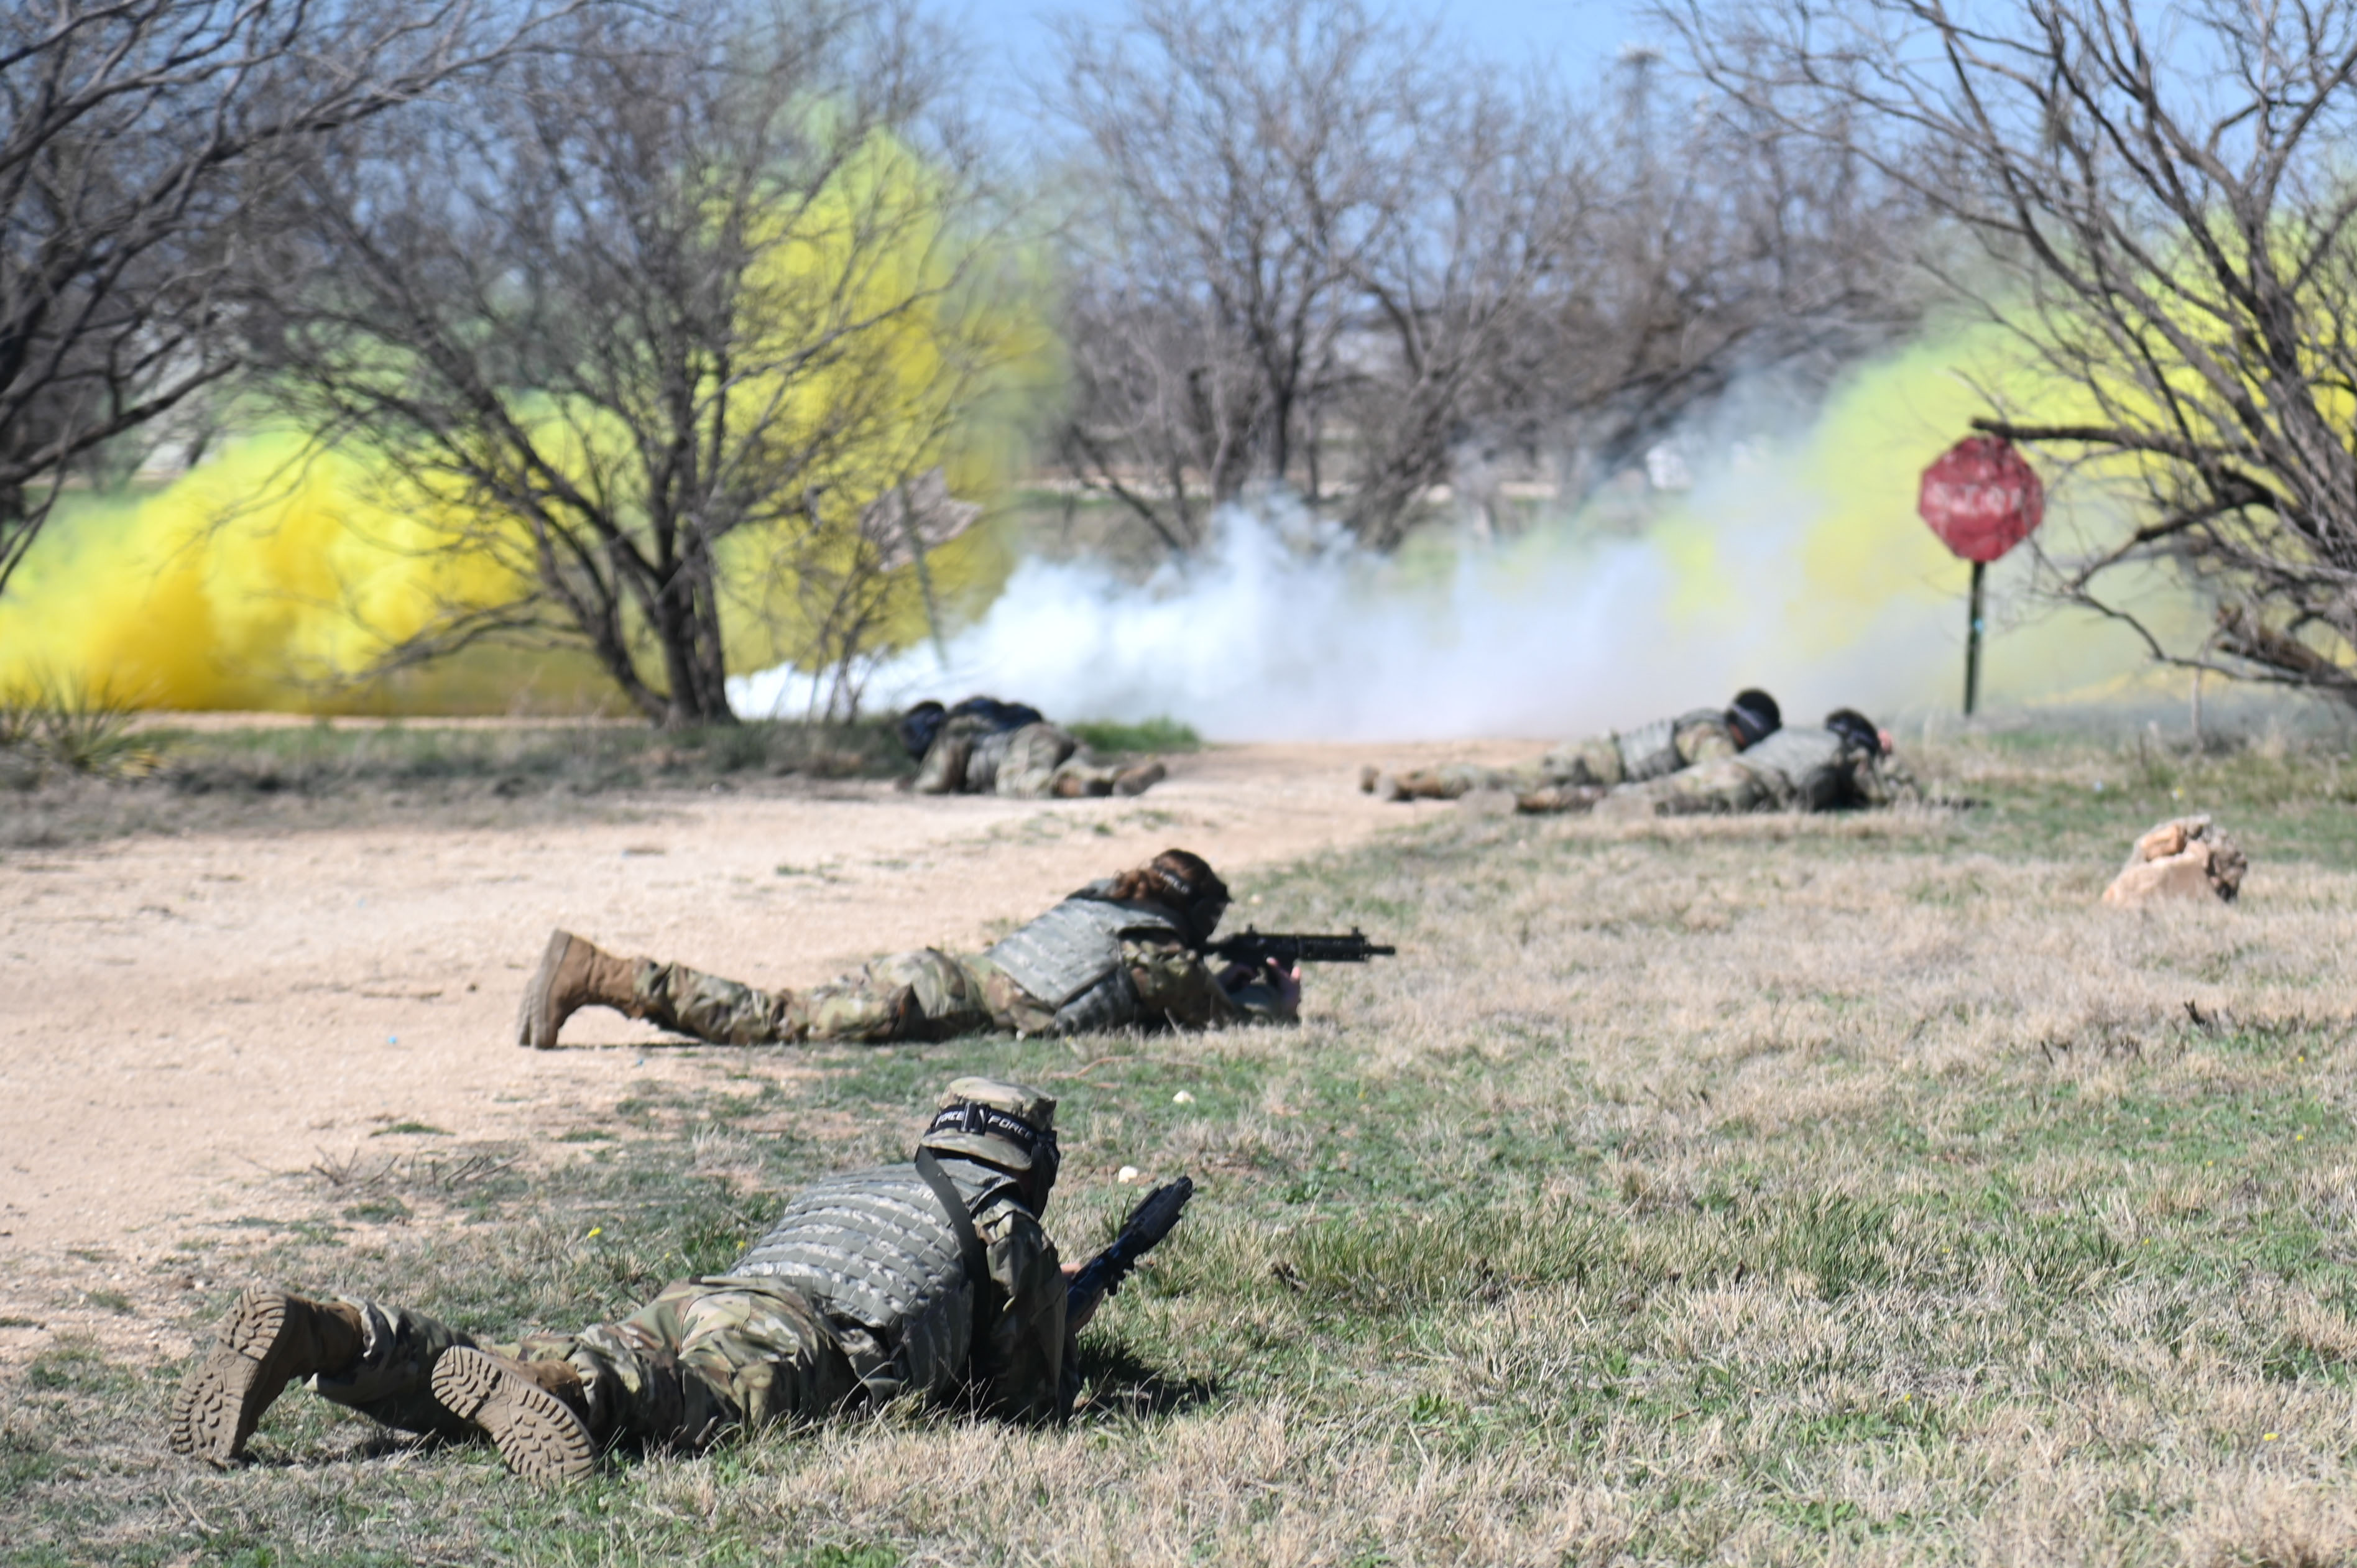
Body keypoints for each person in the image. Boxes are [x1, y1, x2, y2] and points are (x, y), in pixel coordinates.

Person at [170, 1078, 1123, 1483]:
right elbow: (1020, 1411)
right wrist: (1061, 1313)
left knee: (534, 1367)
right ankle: (568, 1392)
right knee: (641, 1400)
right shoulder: (1009, 1229)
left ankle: (330, 1331)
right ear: (1024, 1166)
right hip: (801, 1343)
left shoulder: (859, 1181)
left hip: (711, 1295)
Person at [514, 848, 1299, 1049]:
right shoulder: (1149, 943)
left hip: (934, 980)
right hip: (928, 996)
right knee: (774, 1019)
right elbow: (1216, 1020)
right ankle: (602, 973)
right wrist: (1273, 1000)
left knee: (780, 1012)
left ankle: (600, 975)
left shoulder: (1102, 903)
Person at [1359, 689, 1783, 805]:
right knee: (1507, 779)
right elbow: (1707, 777)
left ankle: (1402, 780)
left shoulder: (1702, 721)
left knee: (1507, 776)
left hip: (1596, 757)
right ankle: (1411, 785)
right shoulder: (1712, 736)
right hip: (1599, 767)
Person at [1587, 707, 1919, 818]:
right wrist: (1885, 757)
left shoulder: (1797, 735)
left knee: (1646, 794)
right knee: (1656, 806)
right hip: (1753, 786)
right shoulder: (1846, 753)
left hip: (1729, 769)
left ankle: (1571, 799)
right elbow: (1900, 799)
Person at [898, 696, 1166, 800]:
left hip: (1028, 743)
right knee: (1073, 769)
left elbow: (936, 781)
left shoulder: (954, 730)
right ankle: (1122, 777)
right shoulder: (970, 721)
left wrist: (913, 785)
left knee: (1016, 782)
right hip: (1050, 738)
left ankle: (1080, 789)